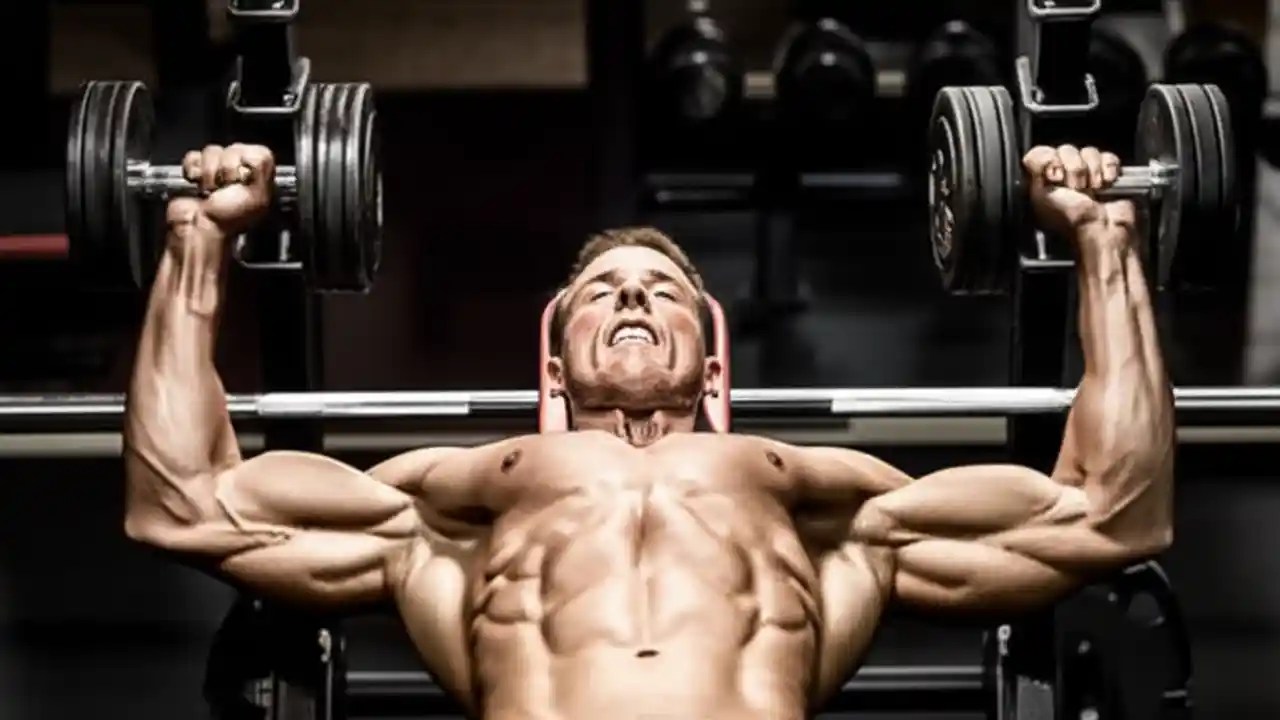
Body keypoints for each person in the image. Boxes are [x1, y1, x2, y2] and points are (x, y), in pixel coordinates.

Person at [122, 142, 1173, 720]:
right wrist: (197, 240)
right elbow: (184, 504)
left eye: (661, 290)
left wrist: (1102, 243)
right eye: (602, 292)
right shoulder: (454, 508)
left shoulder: (821, 506)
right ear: (552, 360)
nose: (631, 297)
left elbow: (1109, 513)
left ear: (712, 360)